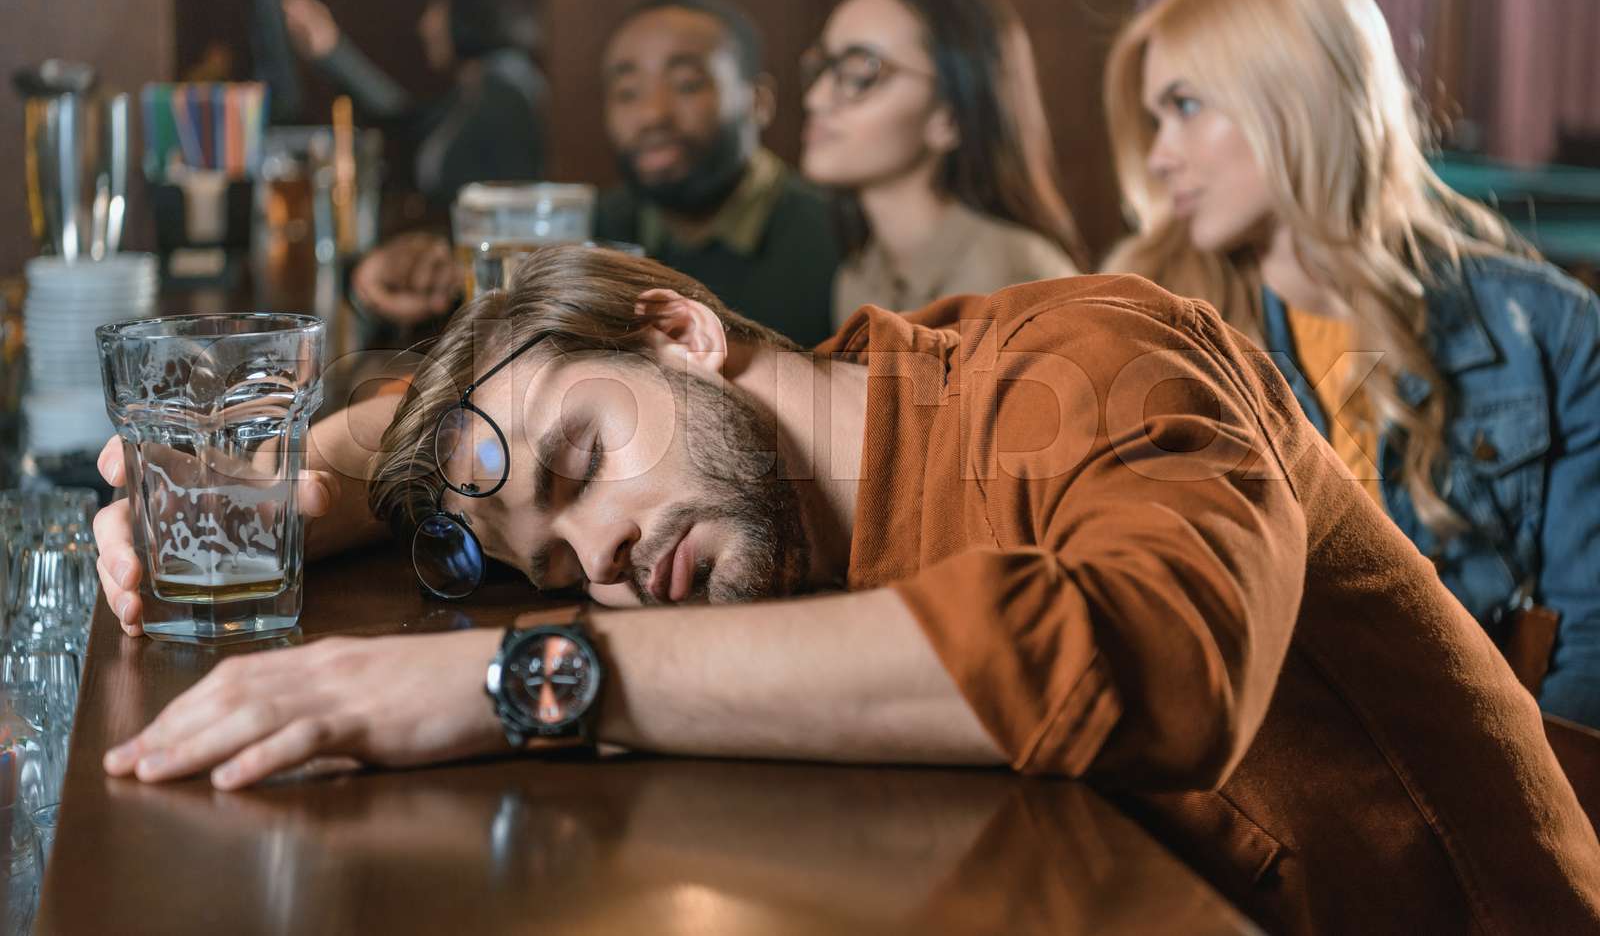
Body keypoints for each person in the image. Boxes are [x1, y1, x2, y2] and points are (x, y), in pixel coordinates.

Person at [93, 245, 1600, 933]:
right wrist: (272, 499)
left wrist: (522, 676)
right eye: (553, 570)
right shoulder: (799, 475)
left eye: (585, 461)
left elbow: (1156, 661)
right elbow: (478, 424)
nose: (598, 556)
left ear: (683, 331)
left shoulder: (1087, 364)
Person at [1101, 0, 1600, 727]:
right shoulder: (1161, 328)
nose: (1160, 155)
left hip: (1488, 787)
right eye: (1156, 118)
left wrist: (1522, 835)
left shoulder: (1551, 331)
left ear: (1293, 99)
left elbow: (1590, 648)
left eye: (1186, 105)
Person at [350, 0, 841, 347]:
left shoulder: (836, 240)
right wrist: (396, 276)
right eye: (627, 92)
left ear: (758, 102)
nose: (652, 115)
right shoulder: (587, 230)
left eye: (688, 84)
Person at [801, 0, 1084, 325]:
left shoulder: (1014, 277)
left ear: (948, 117)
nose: (817, 97)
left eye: (860, 72)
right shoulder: (858, 277)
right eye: (823, 65)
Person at [282, 0, 547, 208]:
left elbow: (404, 121)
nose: (424, 25)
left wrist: (333, 50)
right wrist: (331, 50)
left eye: (437, 9)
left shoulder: (503, 98)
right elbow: (408, 118)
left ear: (468, 12)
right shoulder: (490, 86)